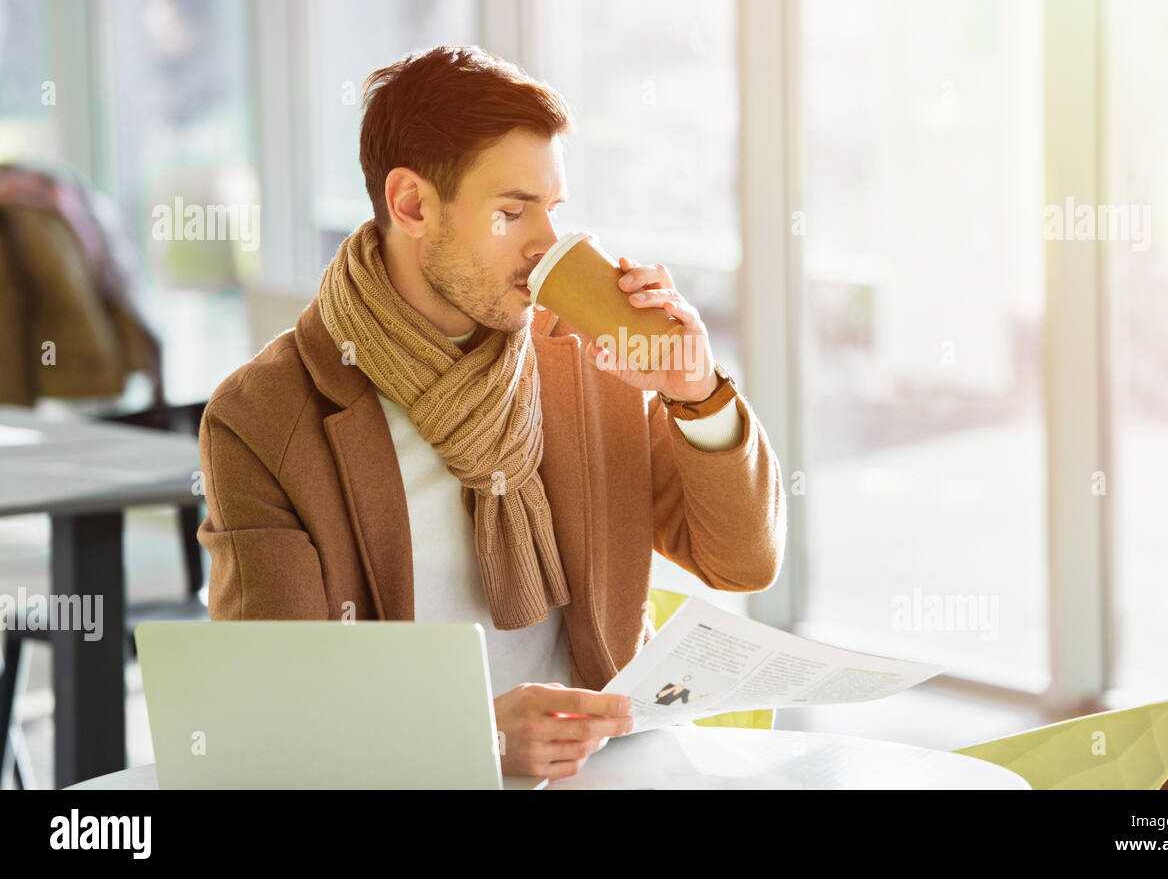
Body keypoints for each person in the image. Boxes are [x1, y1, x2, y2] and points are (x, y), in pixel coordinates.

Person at [196, 44, 787, 781]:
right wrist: (469, 736)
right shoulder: (263, 416)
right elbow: (272, 704)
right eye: (512, 211)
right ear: (411, 204)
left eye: (553, 209)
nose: (547, 244)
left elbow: (742, 561)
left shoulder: (584, 353)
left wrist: (694, 391)